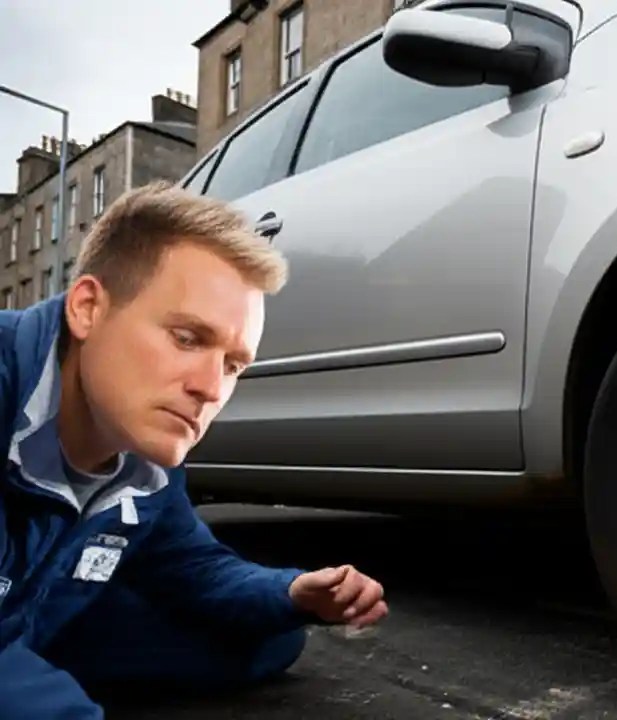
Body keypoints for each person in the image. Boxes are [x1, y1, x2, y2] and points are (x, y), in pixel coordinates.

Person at [0, 182, 388, 718]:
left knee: (270, 636)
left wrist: (291, 592)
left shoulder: (143, 458)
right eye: (186, 338)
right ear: (88, 308)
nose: (210, 389)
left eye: (232, 365)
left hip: (38, 618)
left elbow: (191, 565)